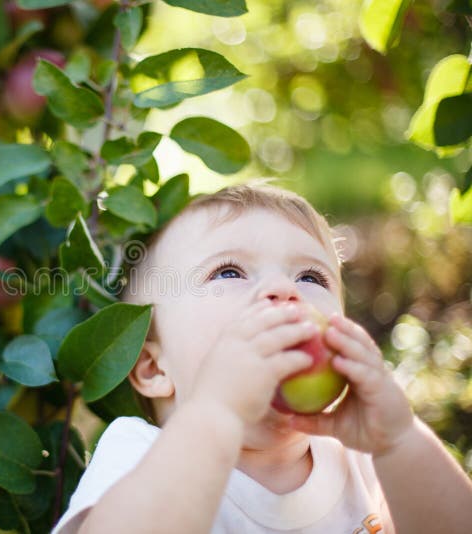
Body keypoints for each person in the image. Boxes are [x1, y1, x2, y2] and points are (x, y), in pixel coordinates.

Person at [51, 182, 472, 533]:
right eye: (229, 272)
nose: (283, 289)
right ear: (154, 368)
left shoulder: (358, 459)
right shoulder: (141, 455)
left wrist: (399, 440)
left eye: (310, 277)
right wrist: (216, 413)